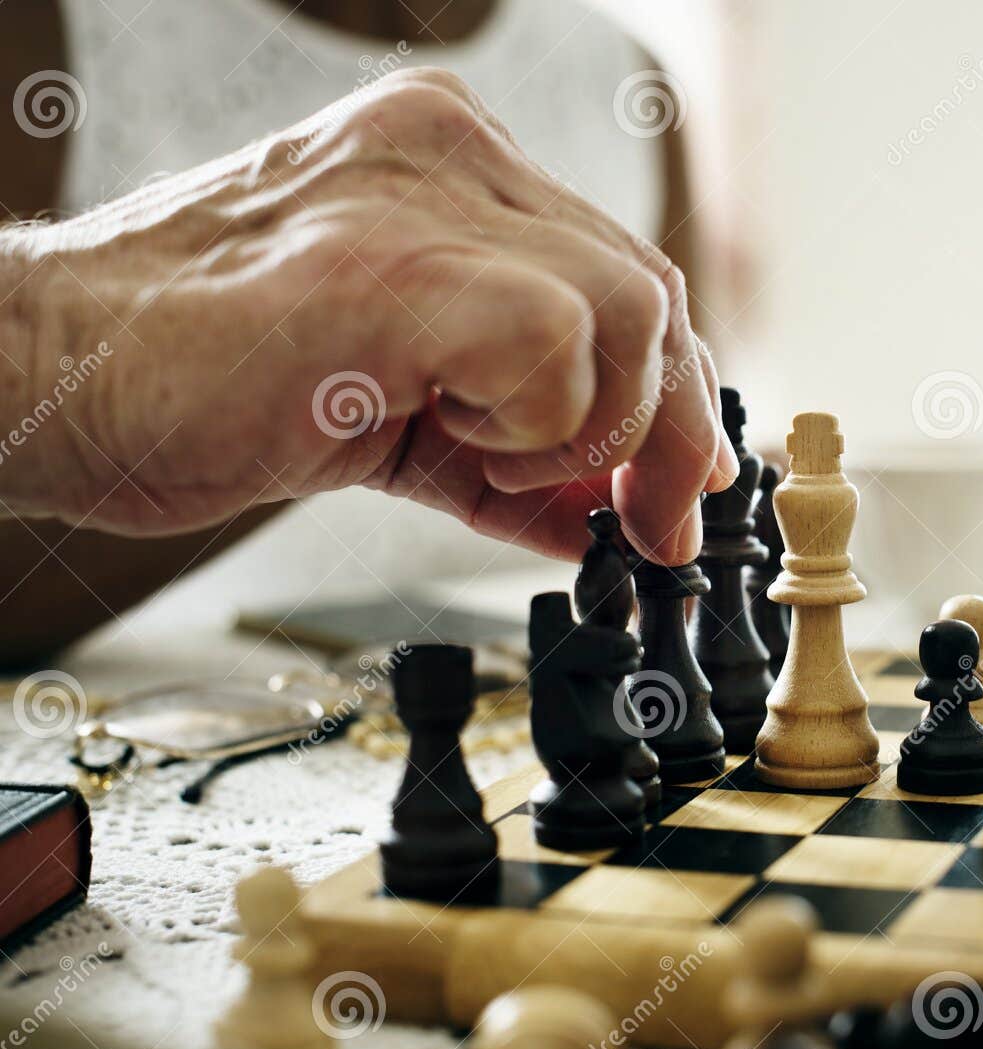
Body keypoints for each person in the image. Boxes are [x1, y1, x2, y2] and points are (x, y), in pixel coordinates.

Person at [0, 1, 732, 666]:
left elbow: (687, 496)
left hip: (506, 759)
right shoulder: (43, 39)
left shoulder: (631, 84)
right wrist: (60, 354)